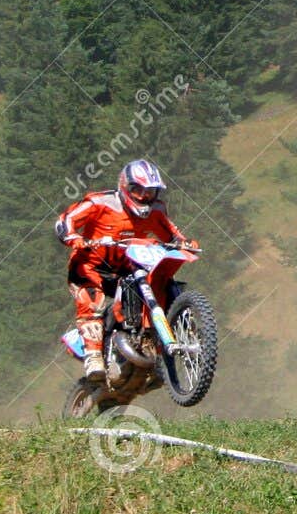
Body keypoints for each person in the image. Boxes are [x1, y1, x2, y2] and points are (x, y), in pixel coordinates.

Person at [55, 159, 194, 382]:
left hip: (127, 268)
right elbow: (66, 220)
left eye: (150, 191)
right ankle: (93, 355)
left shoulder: (156, 210)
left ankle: (151, 347)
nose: (144, 196)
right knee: (93, 302)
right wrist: (74, 237)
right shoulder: (100, 203)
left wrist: (184, 243)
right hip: (91, 266)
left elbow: (172, 235)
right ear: (126, 187)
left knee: (159, 285)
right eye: (138, 190)